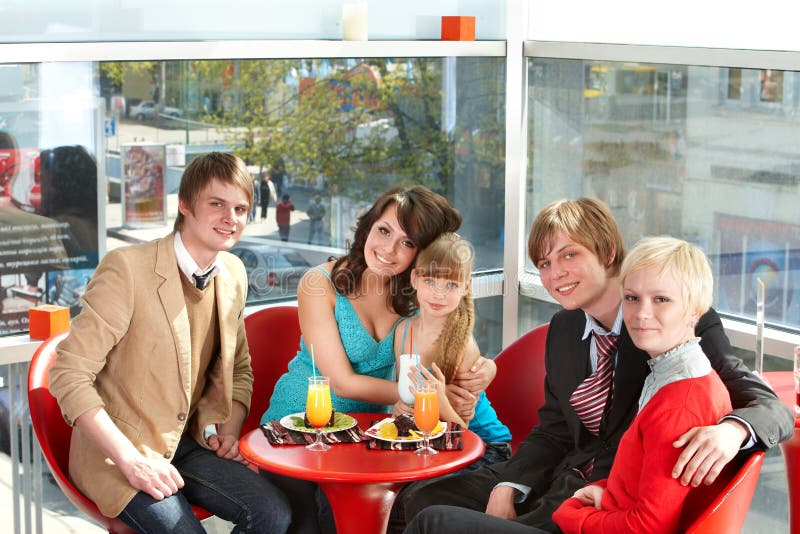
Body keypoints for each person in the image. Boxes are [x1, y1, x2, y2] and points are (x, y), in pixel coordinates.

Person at [403, 197, 793, 534]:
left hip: (608, 499)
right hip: (559, 477)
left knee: (437, 521)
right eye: (544, 262)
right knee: (420, 497)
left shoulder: (668, 324)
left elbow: (769, 406)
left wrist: (731, 432)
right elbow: (554, 428)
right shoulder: (564, 328)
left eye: (569, 254)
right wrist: (511, 484)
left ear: (607, 252)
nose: (556, 274)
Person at [49, 153, 291, 533]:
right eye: (217, 204)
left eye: (240, 208)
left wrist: (230, 431)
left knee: (274, 513)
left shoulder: (233, 272)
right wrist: (131, 461)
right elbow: (69, 374)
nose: (231, 218)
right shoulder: (127, 269)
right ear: (184, 205)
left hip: (185, 443)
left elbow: (239, 366)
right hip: (119, 452)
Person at [260, 185, 496, 534]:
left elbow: (454, 346)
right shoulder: (318, 283)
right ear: (368, 227)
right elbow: (341, 382)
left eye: (408, 243)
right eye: (384, 231)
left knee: (361, 521)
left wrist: (485, 369)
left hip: (368, 436)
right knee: (310, 526)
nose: (388, 249)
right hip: (302, 426)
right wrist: (417, 394)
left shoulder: (421, 292)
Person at [549, 237, 732, 532]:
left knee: (446, 518)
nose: (641, 314)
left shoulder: (678, 402)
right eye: (632, 298)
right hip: (607, 506)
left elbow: (647, 527)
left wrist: (572, 516)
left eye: (661, 299)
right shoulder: (672, 374)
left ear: (695, 311)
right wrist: (606, 493)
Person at [387, 233, 512, 534]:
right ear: (415, 279)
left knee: (410, 501)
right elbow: (406, 402)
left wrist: (440, 401)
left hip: (485, 447)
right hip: (430, 441)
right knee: (384, 492)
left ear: (466, 287)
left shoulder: (463, 347)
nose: (438, 293)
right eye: (430, 281)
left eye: (451, 285)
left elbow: (465, 438)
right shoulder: (403, 331)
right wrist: (400, 407)